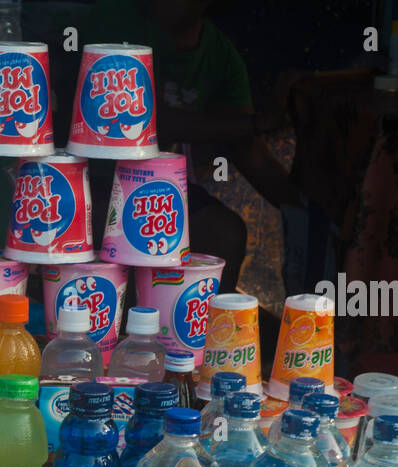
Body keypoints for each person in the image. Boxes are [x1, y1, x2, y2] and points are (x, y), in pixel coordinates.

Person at [80, 0, 305, 293]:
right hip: (87, 181)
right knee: (108, 231)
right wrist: (257, 122)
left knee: (225, 234)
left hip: (157, 189)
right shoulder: (116, 18)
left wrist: (309, 208)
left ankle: (201, 324)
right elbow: (150, 123)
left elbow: (247, 149)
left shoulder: (220, 55)